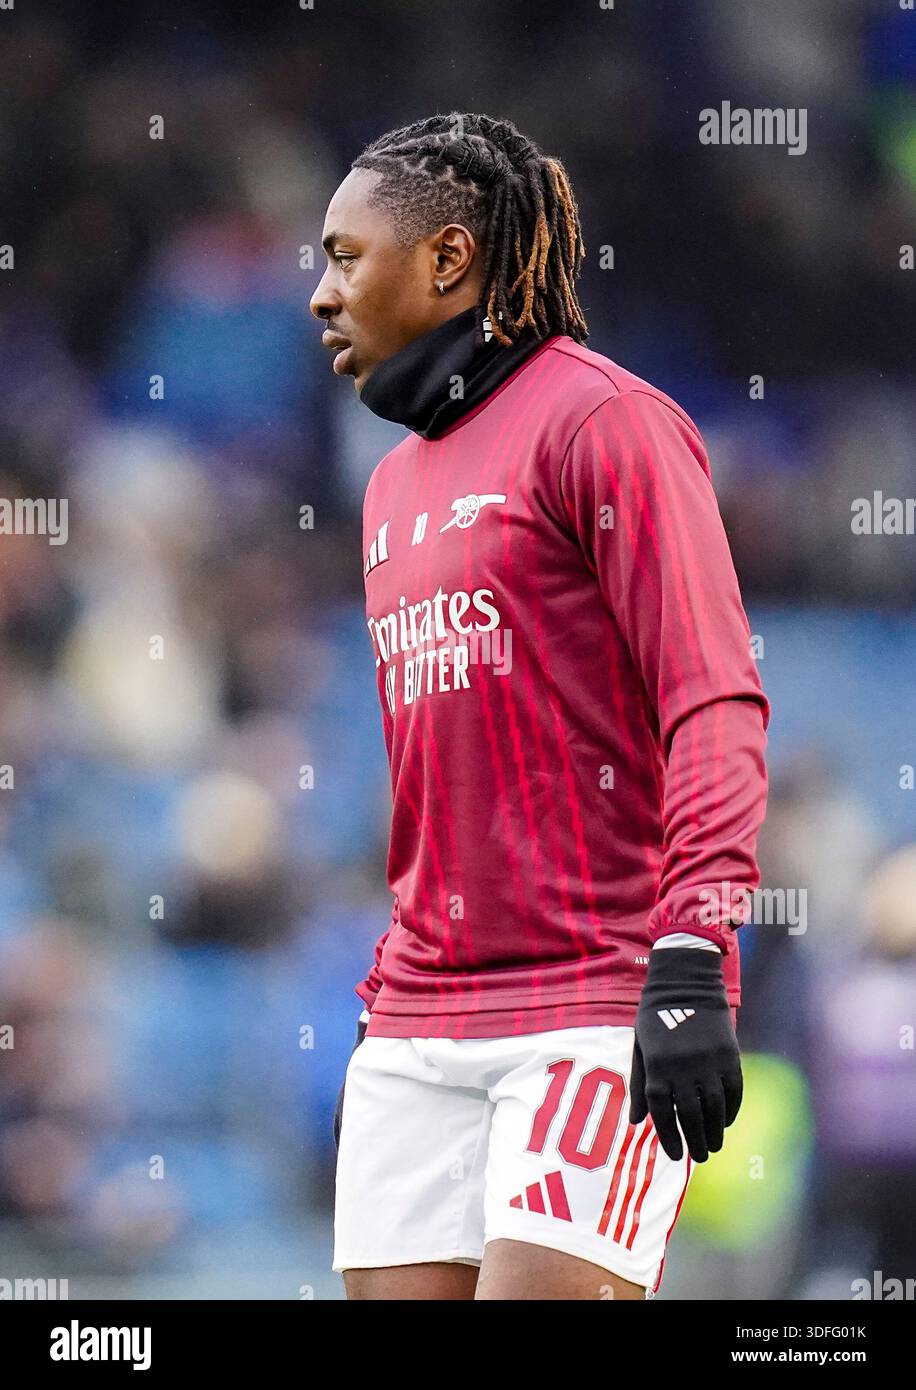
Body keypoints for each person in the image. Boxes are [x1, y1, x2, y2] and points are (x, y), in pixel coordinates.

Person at [310, 112, 769, 1301]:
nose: (319, 294)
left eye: (345, 256)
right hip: (417, 1019)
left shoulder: (603, 423)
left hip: (593, 998)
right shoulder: (387, 491)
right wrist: (382, 1003)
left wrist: (691, 949)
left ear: (449, 259)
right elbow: (435, 788)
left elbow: (712, 698)